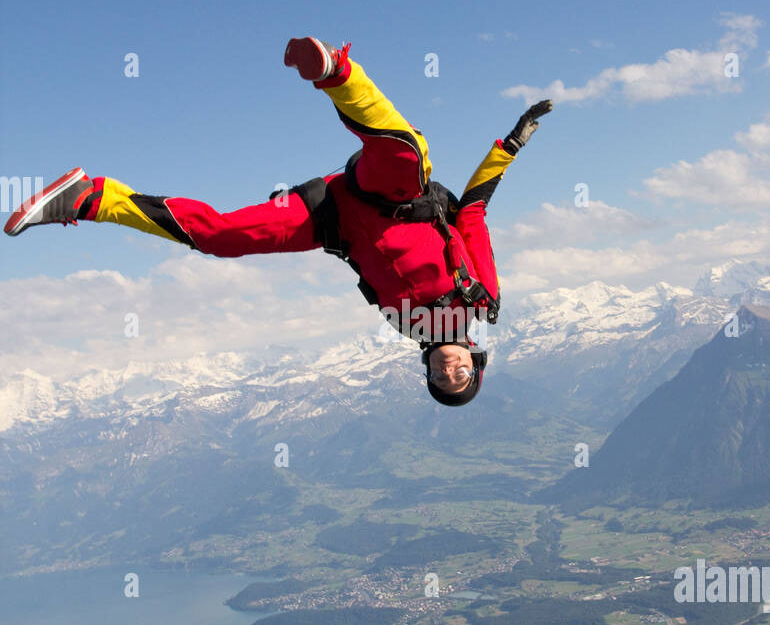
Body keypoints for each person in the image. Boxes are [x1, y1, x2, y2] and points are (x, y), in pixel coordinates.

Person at [4, 36, 553, 405]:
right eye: (459, 376)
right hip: (394, 194)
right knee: (407, 152)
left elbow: (372, 267)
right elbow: (474, 210)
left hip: (329, 217)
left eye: (439, 378)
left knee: (219, 239)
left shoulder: (407, 328)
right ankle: (338, 72)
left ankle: (90, 199)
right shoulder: (483, 300)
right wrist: (510, 144)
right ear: (477, 362)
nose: (447, 370)